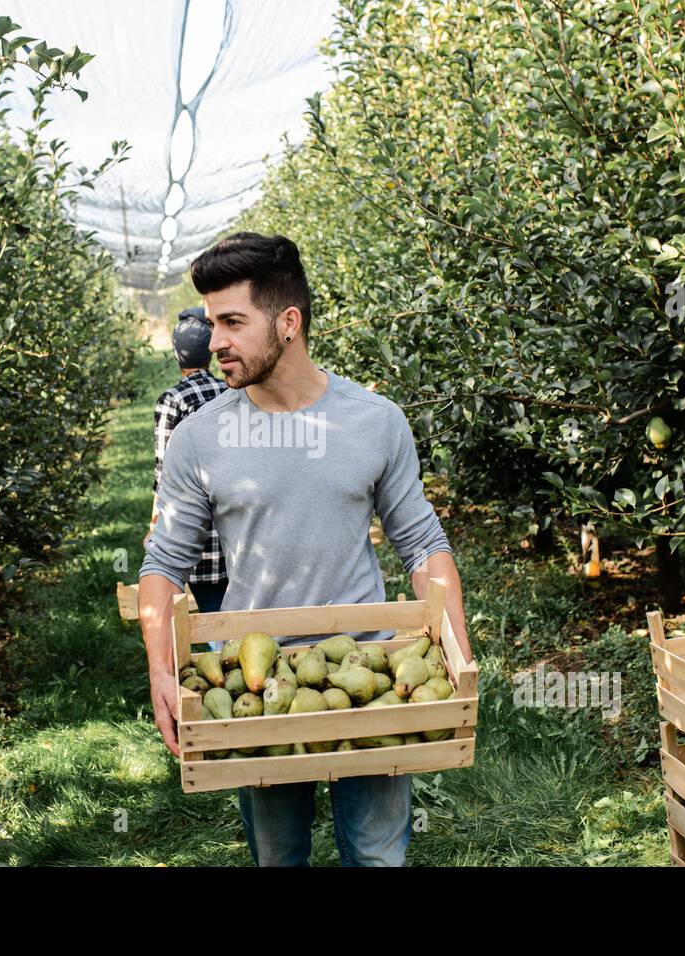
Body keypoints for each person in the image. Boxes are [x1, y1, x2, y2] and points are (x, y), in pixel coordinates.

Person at [137, 231, 472, 867]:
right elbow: (162, 565)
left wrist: (457, 654)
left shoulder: (374, 421)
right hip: (254, 690)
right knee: (277, 856)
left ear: (288, 322)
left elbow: (423, 544)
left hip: (373, 677)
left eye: (233, 321)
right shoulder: (200, 438)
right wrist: (160, 669)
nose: (215, 342)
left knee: (377, 855)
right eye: (211, 322)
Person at [143, 308, 229, 614]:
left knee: (214, 620)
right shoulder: (232, 390)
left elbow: (165, 472)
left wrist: (155, 524)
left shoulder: (173, 401)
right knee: (234, 613)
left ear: (178, 354)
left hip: (197, 530)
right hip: (236, 528)